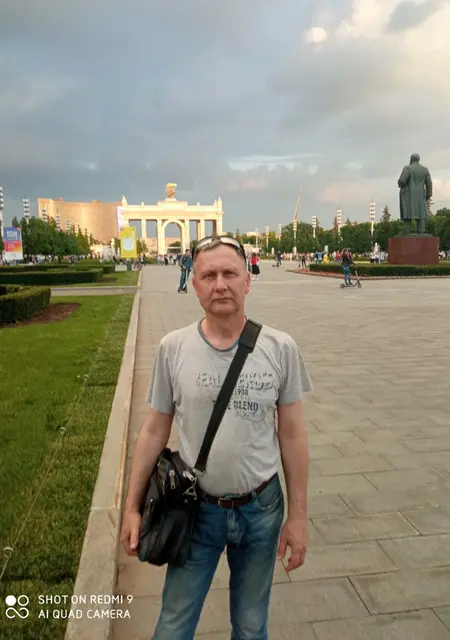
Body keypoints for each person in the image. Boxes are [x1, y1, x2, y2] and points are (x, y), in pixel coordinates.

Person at [120, 235, 312, 640]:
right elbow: (154, 430)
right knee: (173, 625)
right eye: (209, 276)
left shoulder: (280, 348)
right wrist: (132, 508)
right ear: (194, 284)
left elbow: (293, 436)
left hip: (261, 510)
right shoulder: (173, 348)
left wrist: (297, 517)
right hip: (196, 511)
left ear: (248, 280)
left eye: (230, 273)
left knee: (250, 625)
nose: (220, 284)